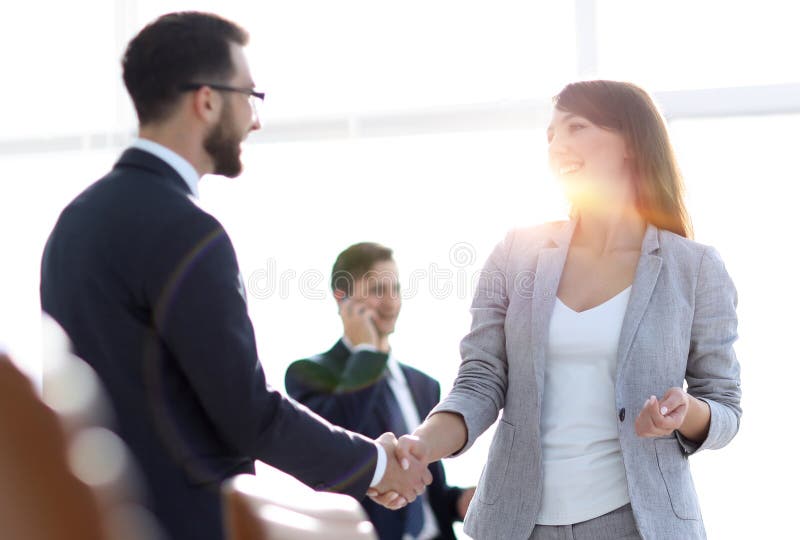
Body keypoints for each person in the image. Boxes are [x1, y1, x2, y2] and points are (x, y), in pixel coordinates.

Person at [39, 12, 429, 540]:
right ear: (207, 101)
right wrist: (379, 466)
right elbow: (248, 414)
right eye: (251, 96)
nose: (255, 119)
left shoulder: (74, 221)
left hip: (93, 519)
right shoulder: (187, 230)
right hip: (185, 523)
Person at [388, 80, 742, 540]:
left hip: (637, 522)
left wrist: (687, 411)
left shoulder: (694, 268)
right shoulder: (517, 251)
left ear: (630, 143)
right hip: (518, 522)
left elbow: (725, 405)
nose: (557, 145)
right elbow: (480, 381)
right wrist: (420, 445)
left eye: (576, 127)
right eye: (551, 134)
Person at [285, 242, 475, 540]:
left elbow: (429, 489)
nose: (391, 303)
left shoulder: (423, 384)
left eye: (395, 289)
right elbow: (335, 451)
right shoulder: (307, 374)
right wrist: (367, 354)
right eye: (377, 290)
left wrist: (459, 502)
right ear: (342, 297)